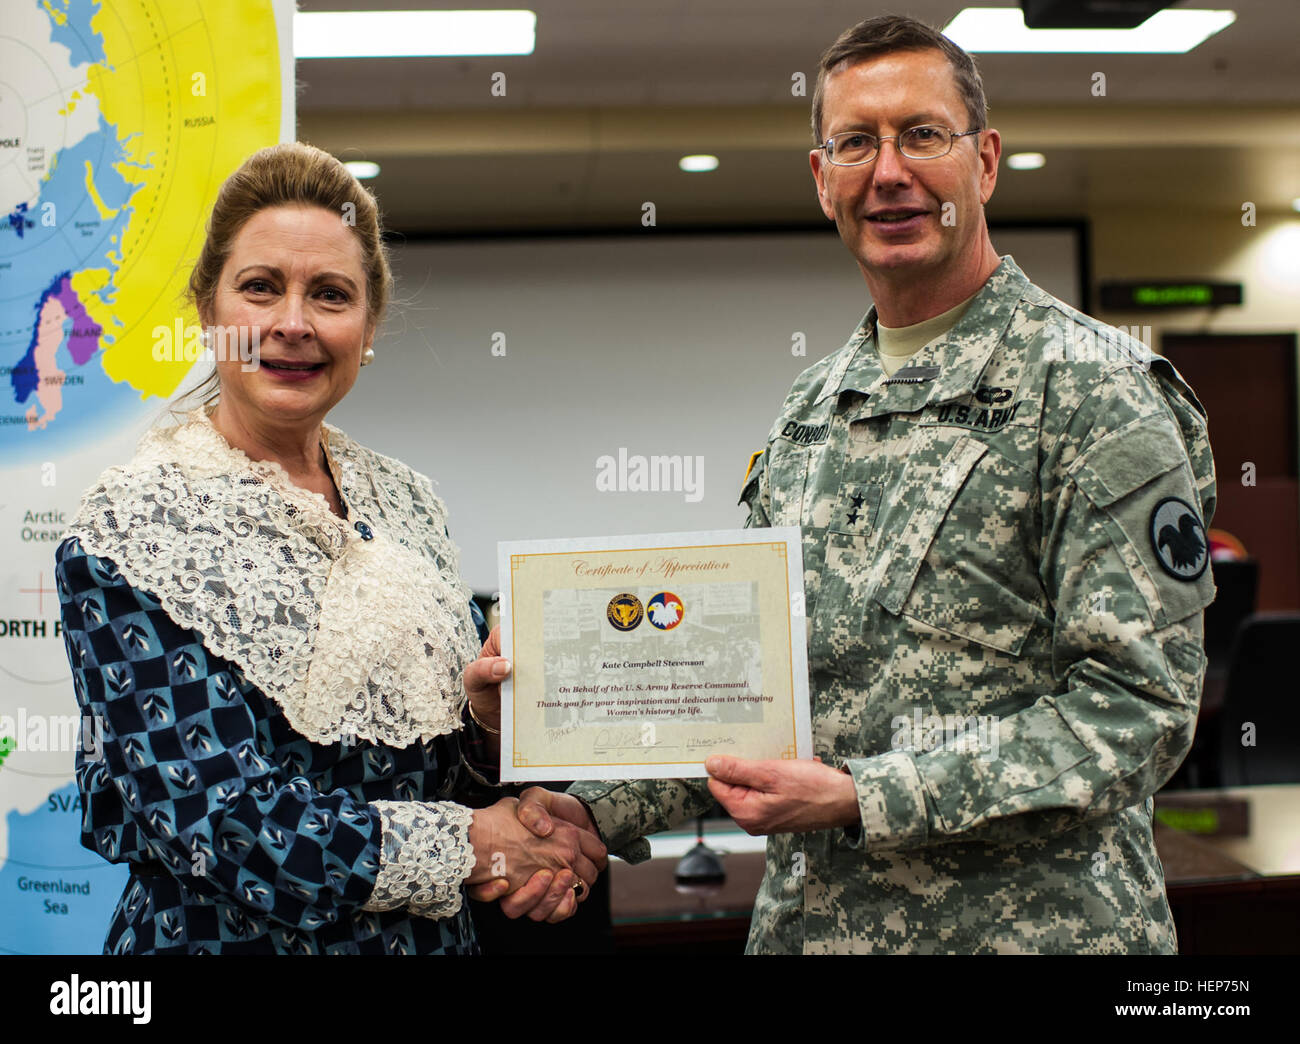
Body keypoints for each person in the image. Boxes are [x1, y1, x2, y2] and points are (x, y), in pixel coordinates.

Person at [483, 15, 1217, 953]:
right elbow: (757, 696)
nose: (889, 172)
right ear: (822, 177)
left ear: (984, 162)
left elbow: (1140, 712)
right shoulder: (814, 404)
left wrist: (868, 796)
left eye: (922, 135)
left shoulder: (1092, 387)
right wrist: (595, 814)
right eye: (856, 143)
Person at [55, 142, 603, 954]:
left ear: (369, 326)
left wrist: (487, 734)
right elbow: (227, 822)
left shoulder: (410, 503)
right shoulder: (128, 528)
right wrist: (482, 846)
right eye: (260, 288)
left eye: (331, 295)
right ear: (208, 311)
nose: (293, 324)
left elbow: (433, 781)